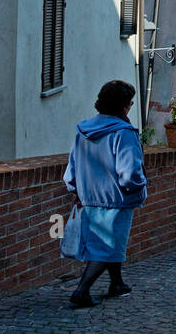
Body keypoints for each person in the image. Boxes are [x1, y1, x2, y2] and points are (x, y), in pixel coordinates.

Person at [62, 79, 147, 308]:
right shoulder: (124, 133)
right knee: (107, 246)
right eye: (129, 103)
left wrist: (75, 189)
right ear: (124, 106)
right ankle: (82, 290)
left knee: (109, 242)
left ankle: (117, 283)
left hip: (88, 197)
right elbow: (130, 173)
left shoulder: (83, 130)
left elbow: (72, 165)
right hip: (116, 198)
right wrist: (139, 188)